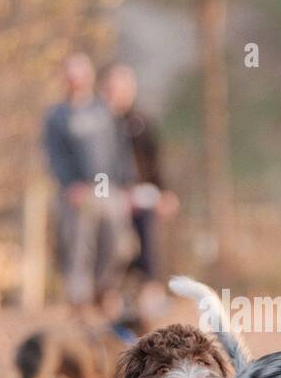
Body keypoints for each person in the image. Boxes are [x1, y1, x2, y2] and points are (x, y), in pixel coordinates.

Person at [42, 53, 137, 315]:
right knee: (78, 248)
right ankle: (79, 300)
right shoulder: (56, 116)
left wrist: (127, 184)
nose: (75, 81)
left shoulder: (104, 111)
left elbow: (120, 150)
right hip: (76, 192)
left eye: (80, 75)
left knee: (119, 245)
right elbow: (54, 155)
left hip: (110, 191)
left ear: (89, 77)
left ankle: (105, 290)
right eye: (70, 75)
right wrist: (69, 184)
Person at [101, 62, 179, 321]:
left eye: (124, 88)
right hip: (107, 193)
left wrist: (165, 192)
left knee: (148, 216)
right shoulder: (98, 125)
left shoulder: (142, 123)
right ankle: (110, 292)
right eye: (113, 88)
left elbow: (154, 164)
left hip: (140, 194)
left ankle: (151, 288)